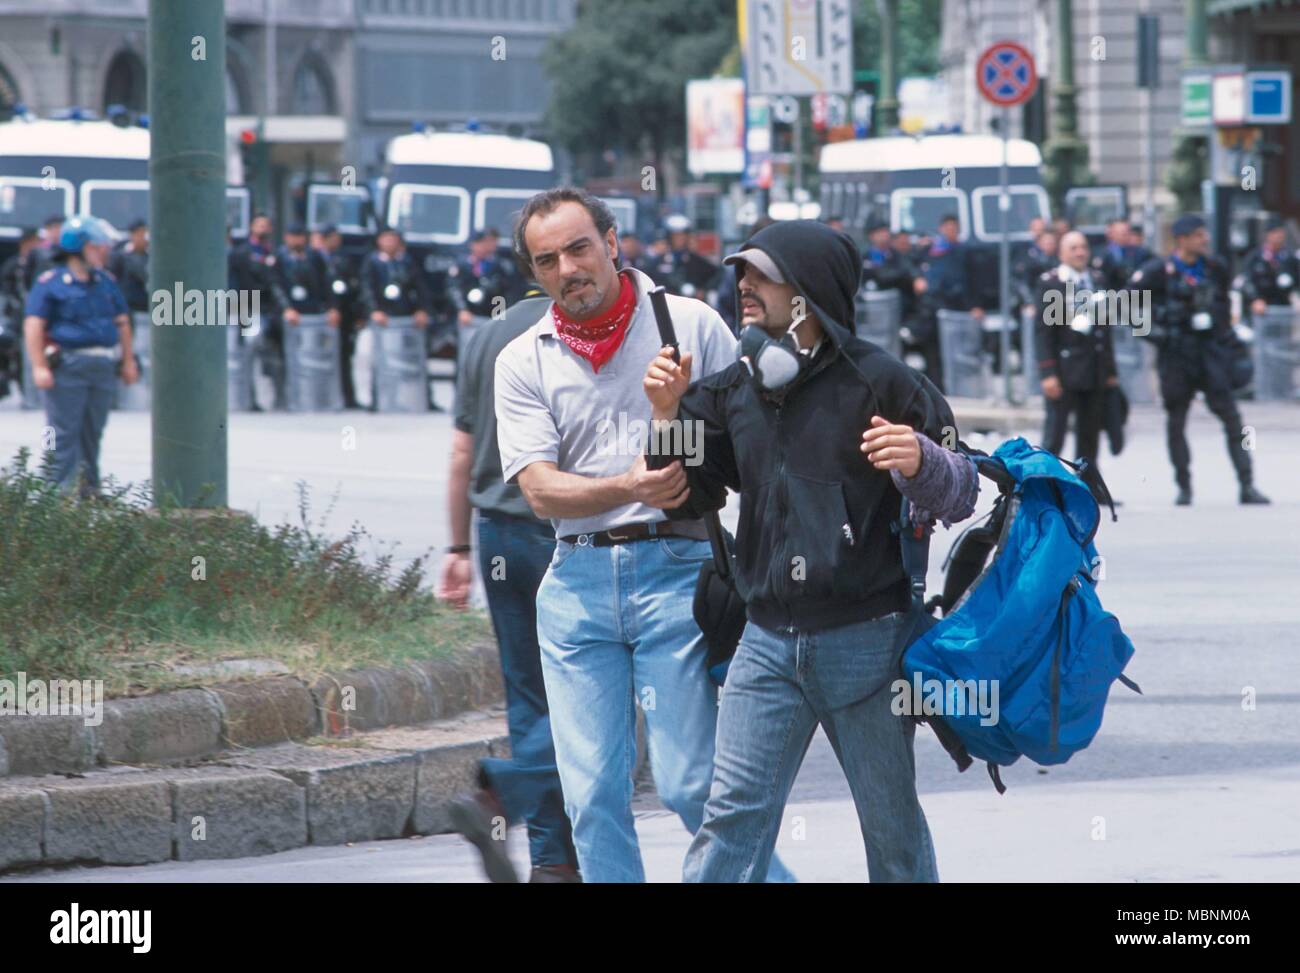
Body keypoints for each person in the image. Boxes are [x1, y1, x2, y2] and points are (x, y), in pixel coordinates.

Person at [641, 219, 978, 882]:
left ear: (809, 290)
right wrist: (665, 416)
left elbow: (962, 490)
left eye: (761, 273)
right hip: (764, 643)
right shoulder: (734, 386)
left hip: (868, 645)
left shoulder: (884, 382)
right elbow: (684, 497)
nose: (743, 284)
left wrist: (922, 460)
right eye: (741, 272)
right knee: (731, 819)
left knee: (892, 829)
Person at [493, 187, 793, 883]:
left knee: (693, 786)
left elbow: (746, 452)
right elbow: (538, 489)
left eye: (578, 247)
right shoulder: (523, 358)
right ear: (534, 274)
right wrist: (628, 485)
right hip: (576, 581)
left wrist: (674, 424)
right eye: (547, 259)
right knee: (592, 797)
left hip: (678, 568)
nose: (568, 268)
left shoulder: (689, 324)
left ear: (612, 241)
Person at [440, 282, 581, 884]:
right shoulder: (583, 325)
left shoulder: (483, 337)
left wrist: (457, 549)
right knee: (597, 701)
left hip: (499, 534)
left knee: (529, 700)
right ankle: (501, 795)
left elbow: (460, 455)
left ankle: (553, 863)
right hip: (566, 530)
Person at [1130, 214, 1270, 506]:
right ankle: (1184, 487)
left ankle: (1247, 484)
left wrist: (1225, 335)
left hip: (1209, 353)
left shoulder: (1215, 267)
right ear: (1182, 239)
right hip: (1177, 355)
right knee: (1176, 421)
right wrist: (1160, 335)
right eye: (1197, 235)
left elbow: (1227, 302)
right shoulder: (1158, 271)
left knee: (1233, 419)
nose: (1204, 239)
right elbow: (1130, 309)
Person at [22, 217, 139, 495]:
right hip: (68, 365)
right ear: (79, 248)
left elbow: (122, 322)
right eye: (98, 247)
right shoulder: (51, 283)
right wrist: (39, 366)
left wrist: (128, 360)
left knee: (93, 432)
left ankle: (88, 490)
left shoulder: (105, 281)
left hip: (102, 363)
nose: (104, 252)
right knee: (63, 432)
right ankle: (56, 492)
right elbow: (34, 325)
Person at [1035, 231, 1120, 473]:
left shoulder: (1097, 279)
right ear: (1062, 253)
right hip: (1064, 369)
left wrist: (1110, 370)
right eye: (1073, 248)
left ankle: (1088, 488)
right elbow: (1043, 332)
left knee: (1089, 435)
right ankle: (1042, 487)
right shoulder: (1051, 282)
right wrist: (1048, 372)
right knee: (1055, 435)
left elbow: (1105, 328)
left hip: (1094, 368)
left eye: (1083, 247)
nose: (1080, 252)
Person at [357, 227, 433, 409]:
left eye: (393, 239)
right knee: (380, 360)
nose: (390, 243)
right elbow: (366, 289)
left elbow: (420, 289)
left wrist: (422, 309)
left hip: (405, 317)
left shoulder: (406, 262)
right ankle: (378, 400)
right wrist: (373, 310)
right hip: (383, 319)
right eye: (386, 238)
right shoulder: (372, 263)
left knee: (414, 359)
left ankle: (424, 399)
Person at [914, 213, 984, 390]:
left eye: (954, 227)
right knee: (932, 350)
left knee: (955, 351)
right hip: (932, 309)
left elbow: (974, 281)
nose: (950, 231)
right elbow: (913, 266)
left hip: (955, 308)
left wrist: (976, 305)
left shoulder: (964, 252)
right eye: (947, 227)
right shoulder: (930, 250)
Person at [230, 213, 287, 410]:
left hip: (269, 307)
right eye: (259, 225)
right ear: (252, 227)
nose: (263, 229)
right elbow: (235, 282)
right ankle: (247, 399)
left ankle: (276, 399)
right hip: (247, 303)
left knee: (272, 353)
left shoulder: (273, 254)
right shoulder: (242, 253)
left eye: (266, 225)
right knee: (248, 351)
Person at [316, 224, 363, 408]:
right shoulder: (316, 259)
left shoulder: (344, 259)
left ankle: (348, 398)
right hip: (322, 315)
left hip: (344, 315)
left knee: (344, 357)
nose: (336, 241)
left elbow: (354, 287)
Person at [0, 227, 42, 399]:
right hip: (14, 316)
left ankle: (31, 395)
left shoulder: (41, 263)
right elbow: (7, 293)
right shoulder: (13, 265)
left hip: (35, 315)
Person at [1239, 219, 1298, 319]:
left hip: (1284, 312)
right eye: (1275, 232)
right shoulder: (1255, 258)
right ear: (1268, 234)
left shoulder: (1290, 259)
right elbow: (1246, 281)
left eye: (1281, 232)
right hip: (1261, 312)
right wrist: (1255, 299)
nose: (1279, 235)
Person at [108, 219, 150, 313]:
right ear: (132, 235)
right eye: (139, 234)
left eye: (144, 234)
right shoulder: (118, 255)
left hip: (145, 307)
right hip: (125, 307)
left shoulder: (151, 257)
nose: (143, 238)